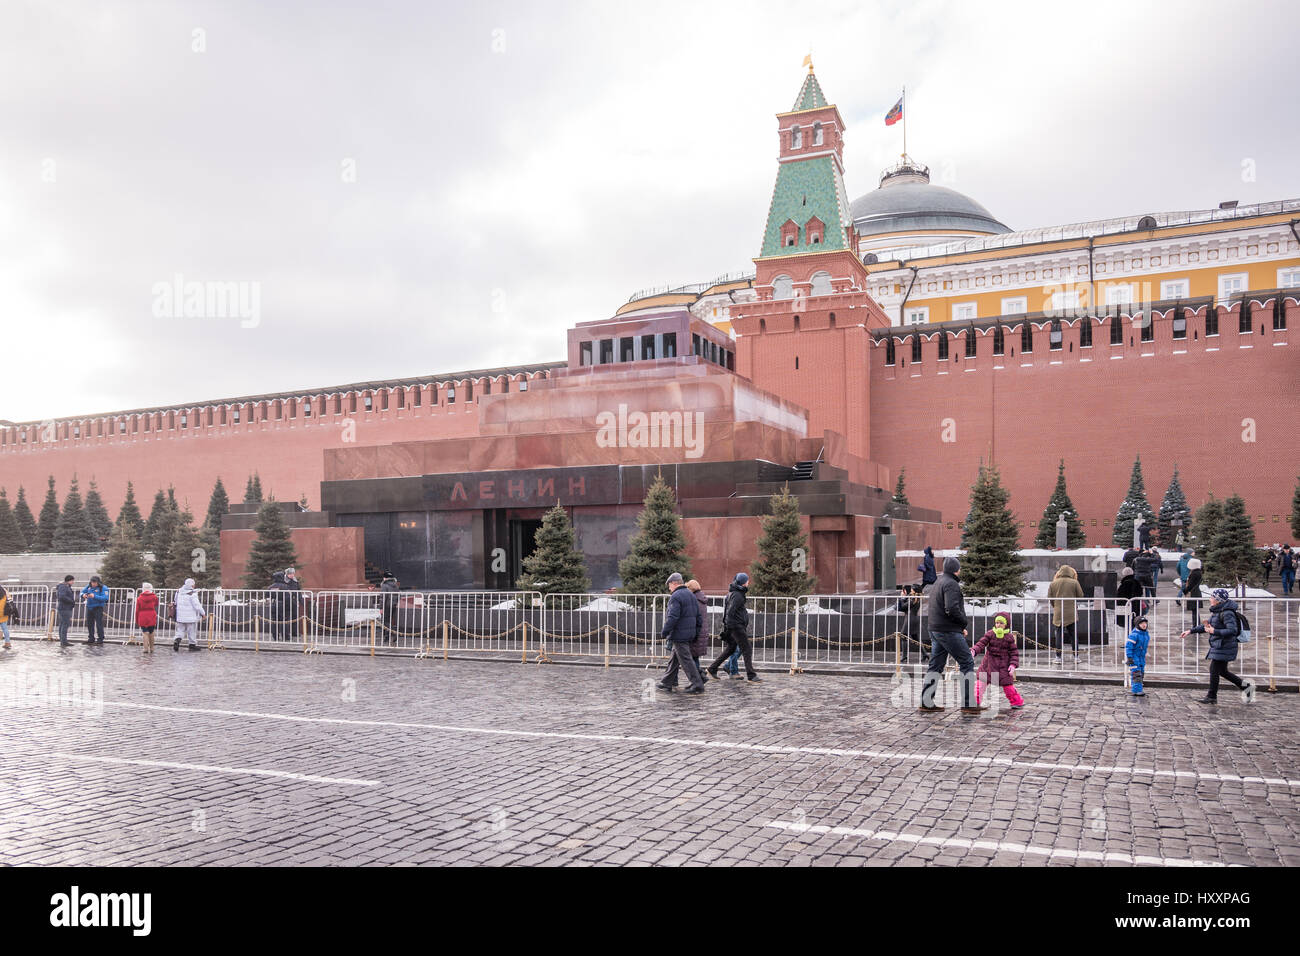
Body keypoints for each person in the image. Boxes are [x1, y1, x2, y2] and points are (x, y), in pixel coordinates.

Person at [920, 557, 978, 713]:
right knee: (967, 662)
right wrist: (963, 624)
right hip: (947, 630)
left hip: (935, 629)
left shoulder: (938, 582)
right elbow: (951, 609)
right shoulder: (951, 584)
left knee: (936, 666)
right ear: (956, 569)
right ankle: (968, 704)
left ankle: (926, 702)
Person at [1181, 588, 1254, 705]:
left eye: (1212, 598)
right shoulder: (1218, 611)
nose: (1210, 599)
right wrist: (1190, 631)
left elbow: (1232, 630)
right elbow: (1206, 627)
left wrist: (1215, 631)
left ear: (1218, 600)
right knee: (1223, 671)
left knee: (1214, 670)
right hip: (1220, 645)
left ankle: (1212, 696)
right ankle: (1247, 687)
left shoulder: (1227, 613)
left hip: (1225, 646)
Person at [707, 572, 761, 683]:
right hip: (736, 627)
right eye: (747, 580)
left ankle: (712, 669)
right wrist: (731, 627)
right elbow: (730, 612)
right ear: (743, 582)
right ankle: (751, 675)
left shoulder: (734, 593)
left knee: (731, 649)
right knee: (747, 649)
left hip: (733, 626)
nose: (748, 582)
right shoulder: (737, 595)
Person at [657, 573, 704, 693]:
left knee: (686, 660)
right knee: (675, 658)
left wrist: (664, 632)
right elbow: (699, 617)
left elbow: (672, 617)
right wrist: (696, 632)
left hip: (679, 634)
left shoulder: (676, 596)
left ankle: (697, 684)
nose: (669, 588)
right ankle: (667, 682)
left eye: (669, 585)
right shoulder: (691, 595)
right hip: (689, 633)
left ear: (674, 583)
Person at [971, 613, 1023, 709]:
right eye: (997, 623)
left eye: (1001, 623)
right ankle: (974, 701)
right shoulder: (990, 634)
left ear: (1006, 625)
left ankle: (1017, 702)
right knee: (980, 684)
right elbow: (981, 643)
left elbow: (1014, 653)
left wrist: (1013, 665)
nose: (998, 625)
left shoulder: (1009, 637)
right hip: (988, 665)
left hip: (1003, 666)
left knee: (1008, 686)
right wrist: (974, 650)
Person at [1046, 564, 1085, 665]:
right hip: (1071, 613)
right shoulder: (1074, 582)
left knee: (1058, 635)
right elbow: (1080, 596)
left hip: (1058, 612)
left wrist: (1055, 606)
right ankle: (1076, 657)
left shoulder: (1053, 583)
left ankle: (1058, 657)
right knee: (1073, 635)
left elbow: (1050, 597)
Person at [686, 579, 710, 683]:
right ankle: (700, 676)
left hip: (695, 632)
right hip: (701, 632)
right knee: (694, 657)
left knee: (691, 658)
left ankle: (699, 679)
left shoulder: (694, 600)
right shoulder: (701, 599)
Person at [172, 577, 206, 651]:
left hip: (180, 616)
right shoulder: (193, 593)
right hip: (190, 617)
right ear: (192, 585)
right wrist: (203, 613)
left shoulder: (178, 592)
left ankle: (177, 639)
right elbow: (197, 605)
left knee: (180, 630)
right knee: (191, 631)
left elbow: (175, 601)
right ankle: (192, 645)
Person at [896, 584, 923, 663]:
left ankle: (904, 656)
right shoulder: (916, 598)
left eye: (911, 590)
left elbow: (904, 606)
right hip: (913, 618)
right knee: (916, 639)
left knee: (903, 636)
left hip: (910, 619)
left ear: (915, 590)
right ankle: (925, 654)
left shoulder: (913, 599)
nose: (910, 591)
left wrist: (901, 597)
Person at [1125, 614, 1151, 697]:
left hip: (1141, 657)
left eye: (1145, 623)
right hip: (1134, 657)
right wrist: (1129, 657)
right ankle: (1136, 690)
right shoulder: (1134, 635)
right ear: (1137, 625)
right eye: (1141, 623)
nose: (1144, 625)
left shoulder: (1145, 634)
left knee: (1141, 673)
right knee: (1136, 674)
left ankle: (1138, 688)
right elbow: (1129, 647)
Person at [1114, 567, 1142, 638]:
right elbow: (1140, 593)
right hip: (1136, 606)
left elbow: (1120, 596)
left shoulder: (1125, 583)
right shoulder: (1136, 582)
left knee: (1128, 624)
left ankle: (1130, 640)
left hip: (1127, 607)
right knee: (1133, 624)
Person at [81, 575, 109, 645]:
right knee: (90, 624)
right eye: (92, 582)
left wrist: (94, 596)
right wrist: (83, 595)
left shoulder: (103, 588)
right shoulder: (89, 586)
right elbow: (82, 592)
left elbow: (105, 598)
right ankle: (91, 638)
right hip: (89, 607)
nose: (93, 584)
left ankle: (100, 639)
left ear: (98, 582)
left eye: (95, 583)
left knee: (99, 624)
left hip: (98, 607)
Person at [136, 582, 159, 653]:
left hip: (142, 615)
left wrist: (137, 620)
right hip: (151, 614)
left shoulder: (139, 598)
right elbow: (156, 604)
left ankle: (145, 648)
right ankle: (152, 648)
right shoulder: (154, 597)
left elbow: (137, 610)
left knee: (145, 632)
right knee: (151, 632)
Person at [1182, 557, 1204, 629]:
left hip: (1193, 593)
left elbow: (1190, 585)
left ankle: (1196, 625)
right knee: (1195, 610)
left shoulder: (1194, 573)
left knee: (1194, 610)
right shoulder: (1198, 572)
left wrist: (1185, 590)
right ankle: (1196, 624)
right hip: (1196, 592)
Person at [268, 570, 290, 640]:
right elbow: (287, 597)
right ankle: (285, 636)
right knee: (284, 620)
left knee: (274, 621)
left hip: (273, 604)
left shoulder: (271, 587)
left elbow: (267, 595)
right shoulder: (284, 586)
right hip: (282, 604)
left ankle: (275, 636)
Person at [379, 569, 399, 643]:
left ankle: (393, 633)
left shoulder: (384, 585)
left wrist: (381, 607)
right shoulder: (395, 585)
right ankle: (386, 637)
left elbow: (383, 597)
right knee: (389, 621)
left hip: (386, 606)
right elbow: (398, 595)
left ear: (385, 578)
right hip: (393, 605)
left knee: (385, 621)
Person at [56, 575, 76, 647]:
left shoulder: (65, 586)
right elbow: (62, 596)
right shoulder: (63, 587)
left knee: (63, 624)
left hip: (65, 608)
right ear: (69, 580)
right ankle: (63, 641)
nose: (73, 582)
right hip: (65, 608)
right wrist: (71, 601)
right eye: (72, 580)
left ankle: (63, 641)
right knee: (65, 625)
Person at [0, 584, 15, 650]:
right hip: (4, 613)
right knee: (5, 628)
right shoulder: (5, 591)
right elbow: (10, 599)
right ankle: (7, 642)